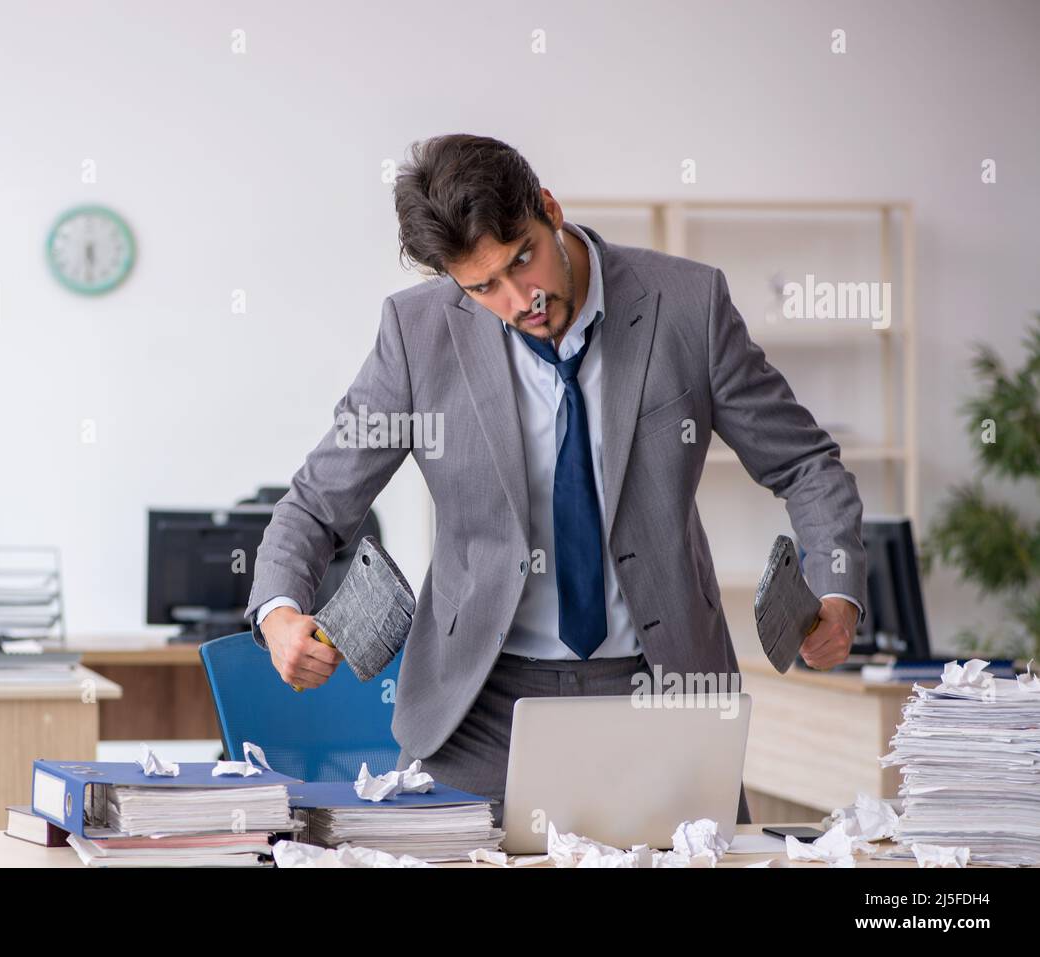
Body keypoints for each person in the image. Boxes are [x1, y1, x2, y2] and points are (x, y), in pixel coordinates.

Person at [246, 133, 865, 829]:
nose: (521, 300)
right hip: (477, 707)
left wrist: (837, 589)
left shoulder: (688, 305)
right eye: (483, 287)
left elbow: (804, 462)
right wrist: (278, 611)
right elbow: (317, 502)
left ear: (549, 208)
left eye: (522, 260)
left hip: (659, 689)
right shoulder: (416, 335)